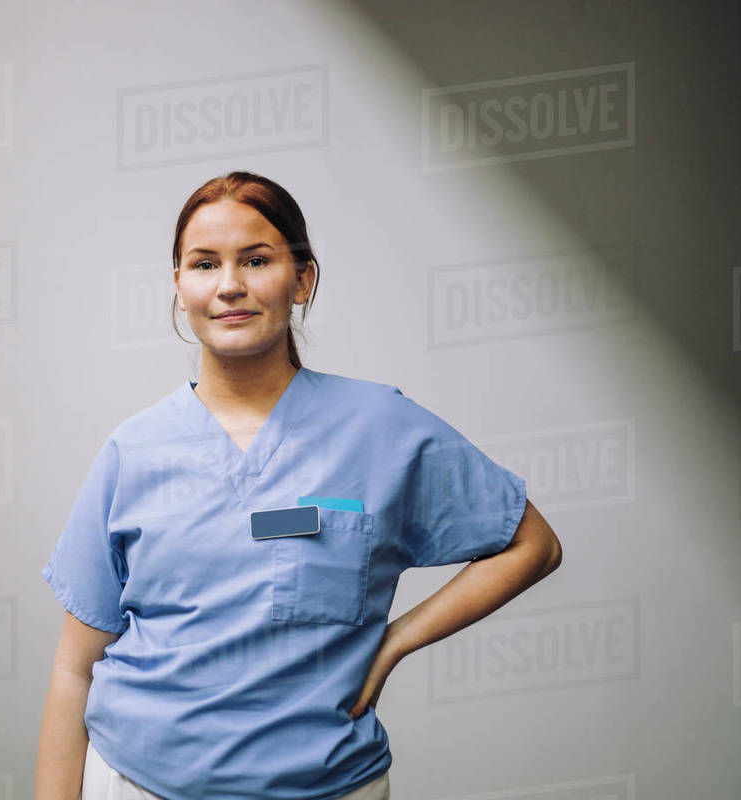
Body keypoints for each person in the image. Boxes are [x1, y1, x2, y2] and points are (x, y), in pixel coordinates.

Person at [36, 171, 563, 800]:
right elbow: (75, 668)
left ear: (303, 278)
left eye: (256, 260)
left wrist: (395, 642)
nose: (230, 284)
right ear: (179, 287)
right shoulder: (134, 451)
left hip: (330, 785)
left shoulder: (382, 429)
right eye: (204, 264)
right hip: (138, 782)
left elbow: (533, 544)